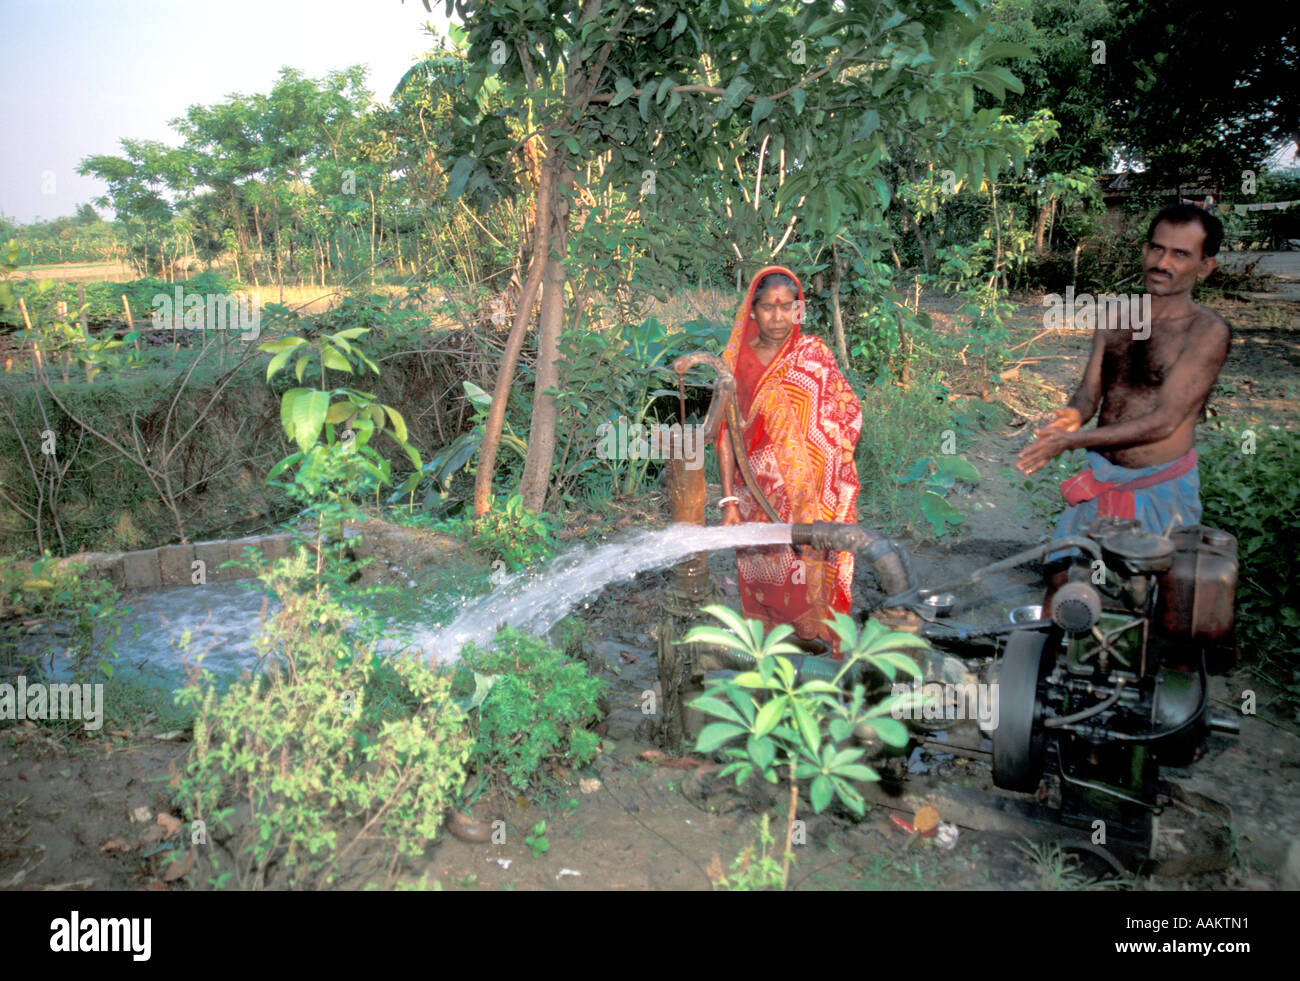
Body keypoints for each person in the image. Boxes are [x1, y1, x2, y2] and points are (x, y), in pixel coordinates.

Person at [1016, 203, 1231, 578]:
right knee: (1064, 581)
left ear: (1205, 266)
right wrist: (1072, 417)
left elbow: (1163, 423)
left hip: (1159, 490)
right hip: (1101, 479)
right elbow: (1089, 393)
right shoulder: (1117, 316)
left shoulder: (1207, 332)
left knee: (1144, 605)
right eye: (1156, 248)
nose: (1162, 262)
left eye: (1181, 254)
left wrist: (1072, 442)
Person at [717, 266, 863, 654]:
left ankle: (818, 648)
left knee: (812, 570)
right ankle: (770, 656)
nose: (778, 318)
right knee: (767, 578)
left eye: (787, 308)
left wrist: (834, 457)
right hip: (758, 493)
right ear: (752, 310)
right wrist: (729, 500)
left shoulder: (813, 355)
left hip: (814, 497)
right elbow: (726, 434)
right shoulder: (735, 362)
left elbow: (847, 412)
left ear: (799, 310)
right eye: (768, 308)